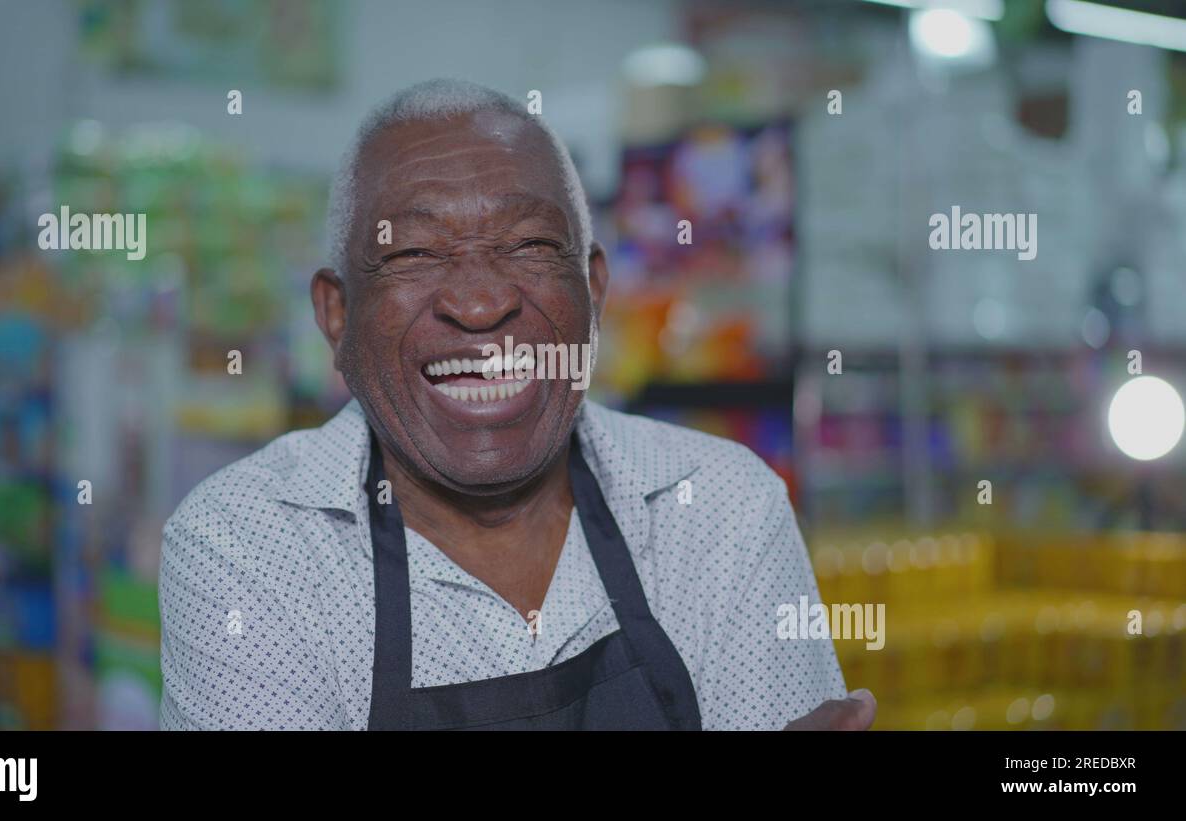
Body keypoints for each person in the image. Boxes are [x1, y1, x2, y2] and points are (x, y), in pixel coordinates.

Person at [158, 78, 876, 730]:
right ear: (337, 315)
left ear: (594, 291)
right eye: (414, 254)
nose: (480, 303)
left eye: (529, 244)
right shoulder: (249, 545)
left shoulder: (722, 507)